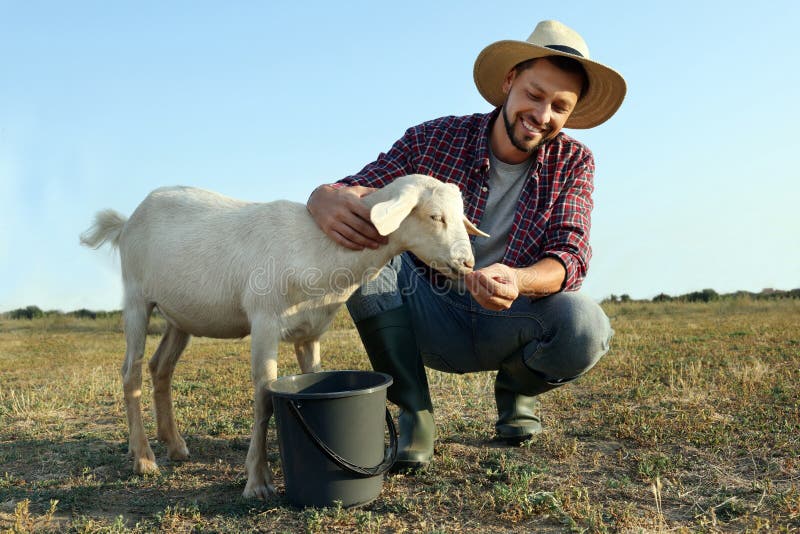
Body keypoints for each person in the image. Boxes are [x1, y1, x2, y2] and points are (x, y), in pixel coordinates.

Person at [306, 20, 626, 470]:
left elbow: (569, 255)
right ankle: (415, 411)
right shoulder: (432, 138)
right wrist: (323, 195)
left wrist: (517, 279)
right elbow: (361, 191)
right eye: (535, 95)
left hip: (511, 316)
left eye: (559, 106)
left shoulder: (575, 161)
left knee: (585, 325)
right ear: (509, 81)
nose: (542, 114)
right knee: (367, 244)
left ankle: (516, 389)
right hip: (428, 312)